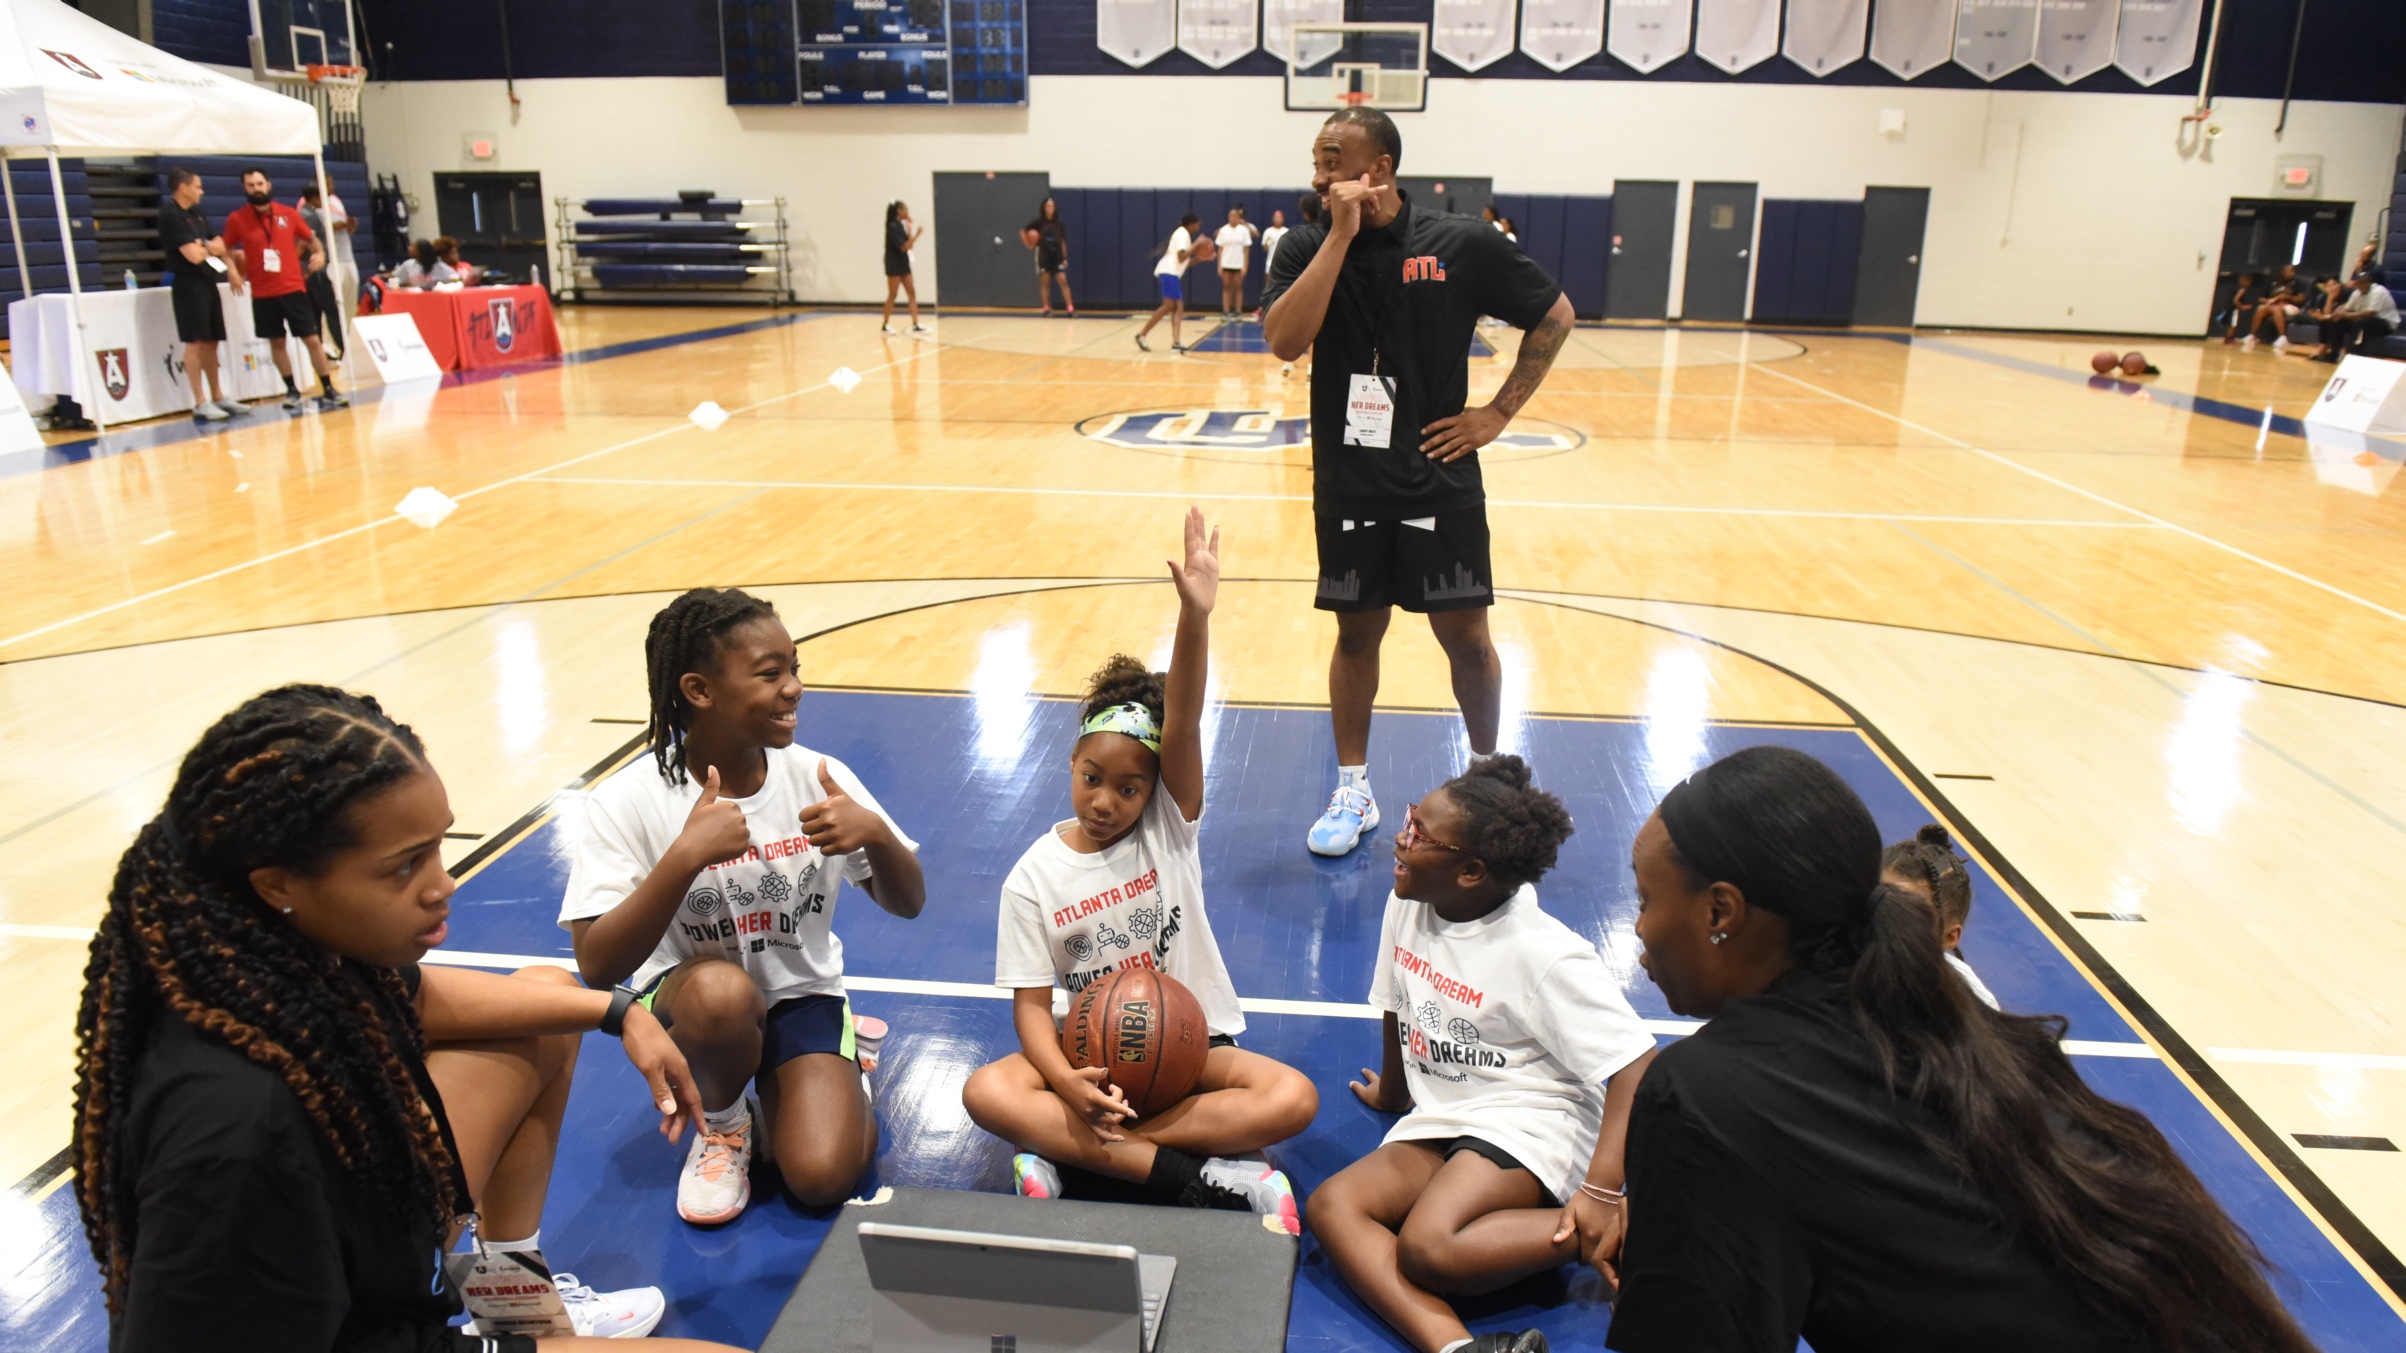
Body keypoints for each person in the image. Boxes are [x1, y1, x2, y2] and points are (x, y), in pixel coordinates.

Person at [73, 684, 746, 1352]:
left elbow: (417, 1000)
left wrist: (619, 1009)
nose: (442, 883)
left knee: (543, 999)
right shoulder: (237, 1139)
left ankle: (517, 1304)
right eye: (403, 867)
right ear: (277, 882)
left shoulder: (281, 953)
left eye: (436, 847)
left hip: (364, 1252)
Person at [1606, 745, 2319, 1353]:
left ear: (1720, 910)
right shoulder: (1954, 1020)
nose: (1638, 927)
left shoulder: (1706, 1094)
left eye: (1644, 899)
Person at [962, 509, 1317, 1228]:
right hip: (1087, 1051)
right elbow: (1032, 1009)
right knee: (983, 1091)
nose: (1106, 800)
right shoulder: (1033, 877)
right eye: (1092, 777)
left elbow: (1181, 719)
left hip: (1188, 1044)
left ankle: (1072, 1154)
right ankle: (1210, 1177)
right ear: (1071, 761)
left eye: (1129, 788)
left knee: (1293, 1098)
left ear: (1156, 792)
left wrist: (1196, 616)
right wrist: (1066, 1080)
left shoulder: (1168, 830)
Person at [1260, 107, 1579, 859]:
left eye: (1333, 158)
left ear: (1381, 170)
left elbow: (1555, 315)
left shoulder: (1461, 242)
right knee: (1355, 631)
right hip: (1350, 481)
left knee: (1467, 638)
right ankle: (1352, 788)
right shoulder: (1306, 243)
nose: (1317, 173)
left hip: (1441, 477)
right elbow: (1283, 341)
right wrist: (1338, 234)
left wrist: (1497, 412)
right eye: (1316, 158)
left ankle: (1486, 777)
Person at [561, 588, 926, 1225]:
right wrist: (682, 859)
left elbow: (910, 902)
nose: (793, 688)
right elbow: (595, 965)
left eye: (795, 669)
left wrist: (875, 833)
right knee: (722, 996)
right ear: (700, 691)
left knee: (821, 1179)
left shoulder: (818, 776)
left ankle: (841, 1067)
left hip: (799, 994)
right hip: (696, 1006)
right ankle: (725, 1124)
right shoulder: (627, 801)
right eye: (769, 673)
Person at [1310, 756, 1657, 1353]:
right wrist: (1394, 1093)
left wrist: (1600, 1192)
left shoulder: (1543, 955)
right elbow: (1396, 1000)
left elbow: (1636, 1065)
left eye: (1420, 834)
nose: (1401, 835)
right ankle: (1458, 1349)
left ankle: (1616, 1231)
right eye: (1411, 817)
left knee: (1428, 1247)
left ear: (1471, 871)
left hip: (1534, 1117)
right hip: (1452, 1113)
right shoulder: (1410, 900)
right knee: (1332, 1205)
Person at [222, 166, 348, 411]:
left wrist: (320, 255)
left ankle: (328, 387)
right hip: (262, 292)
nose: (256, 189)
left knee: (311, 339)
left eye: (260, 184)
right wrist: (233, 270)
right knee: (276, 342)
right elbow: (225, 248)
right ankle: (291, 389)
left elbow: (312, 240)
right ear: (244, 188)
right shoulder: (237, 219)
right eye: (251, 185)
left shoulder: (288, 213)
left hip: (292, 287)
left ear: (268, 184)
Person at [158, 167, 247, 423]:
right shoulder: (170, 215)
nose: (201, 191)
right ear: (183, 187)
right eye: (197, 186)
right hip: (188, 285)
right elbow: (193, 256)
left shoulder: (196, 213)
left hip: (208, 281)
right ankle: (200, 401)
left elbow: (219, 245)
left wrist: (206, 247)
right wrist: (206, 248)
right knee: (195, 342)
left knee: (212, 341)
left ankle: (218, 395)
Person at [1881, 824, 1998, 1009]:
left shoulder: (1973, 1006)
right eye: (1882, 899)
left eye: (1912, 914)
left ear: (1949, 937)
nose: (1889, 915)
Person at [1136, 212, 1200, 353]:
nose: (1199, 226)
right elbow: (1182, 257)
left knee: (1177, 307)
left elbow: (1184, 263)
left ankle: (1175, 342)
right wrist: (1197, 244)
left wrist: (1201, 258)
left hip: (1172, 273)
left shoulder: (1182, 234)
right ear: (1192, 224)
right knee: (1169, 306)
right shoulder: (1183, 234)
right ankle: (1142, 335)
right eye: (1197, 223)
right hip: (1169, 272)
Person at [297, 184, 347, 360]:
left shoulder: (305, 214)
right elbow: (304, 242)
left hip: (309, 270)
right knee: (331, 309)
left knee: (315, 311)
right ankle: (345, 349)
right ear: (314, 198)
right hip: (314, 270)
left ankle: (317, 354)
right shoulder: (308, 216)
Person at [2313, 273, 2399, 363]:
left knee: (2361, 322)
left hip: (2386, 323)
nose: (2362, 284)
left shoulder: (2379, 291)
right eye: (2360, 282)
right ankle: (2334, 354)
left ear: (2369, 282)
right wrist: (2333, 316)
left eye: (2364, 282)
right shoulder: (2356, 293)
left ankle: (2356, 354)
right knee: (2336, 321)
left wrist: (2344, 315)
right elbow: (2345, 310)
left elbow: (2370, 313)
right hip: (2365, 321)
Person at [881, 200, 927, 334]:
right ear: (899, 211)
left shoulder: (901, 226)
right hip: (894, 264)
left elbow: (909, 244)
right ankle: (885, 323)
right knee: (893, 294)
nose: (907, 212)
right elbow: (903, 247)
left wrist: (910, 228)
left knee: (911, 292)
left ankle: (916, 323)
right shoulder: (892, 227)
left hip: (903, 263)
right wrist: (918, 234)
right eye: (905, 209)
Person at [1026, 196, 1073, 316]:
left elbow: (1062, 242)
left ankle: (1070, 308)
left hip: (1057, 256)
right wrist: (1029, 244)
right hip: (1044, 256)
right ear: (1044, 208)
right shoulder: (1038, 222)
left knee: (1063, 281)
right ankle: (1046, 309)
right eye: (1048, 206)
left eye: (1052, 206)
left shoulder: (1059, 224)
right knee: (1045, 283)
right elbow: (1023, 231)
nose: (1050, 208)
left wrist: (1065, 257)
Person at [2244, 264, 2303, 349]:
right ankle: (2252, 335)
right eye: (2290, 271)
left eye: (2293, 271)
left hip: (2290, 306)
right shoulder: (2273, 283)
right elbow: (2260, 298)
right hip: (2273, 305)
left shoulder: (2297, 283)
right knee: (2261, 309)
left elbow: (2301, 299)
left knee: (2276, 308)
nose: (2292, 273)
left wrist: (2288, 297)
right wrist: (2270, 300)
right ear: (2283, 272)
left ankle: (2283, 337)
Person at [1215, 206, 1255, 317]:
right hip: (1226, 263)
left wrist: (1245, 266)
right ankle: (1226, 310)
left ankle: (1238, 311)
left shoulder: (1244, 231)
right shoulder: (1223, 230)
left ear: (1239, 217)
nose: (1233, 218)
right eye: (1231, 216)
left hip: (1238, 263)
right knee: (1227, 287)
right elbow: (1220, 249)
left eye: (1235, 216)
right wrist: (1219, 265)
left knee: (1238, 288)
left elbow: (1246, 250)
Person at [392, 237, 458, 289]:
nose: (409, 249)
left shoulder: (439, 266)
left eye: (413, 247)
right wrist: (381, 276)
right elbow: (395, 277)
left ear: (421, 252)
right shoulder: (408, 264)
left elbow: (456, 279)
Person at [2219, 272, 2258, 345]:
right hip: (2234, 309)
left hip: (2229, 307)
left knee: (2230, 324)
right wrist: (2242, 307)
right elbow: (2235, 300)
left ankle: (2228, 337)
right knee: (2233, 324)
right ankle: (2229, 338)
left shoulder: (2236, 288)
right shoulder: (2242, 290)